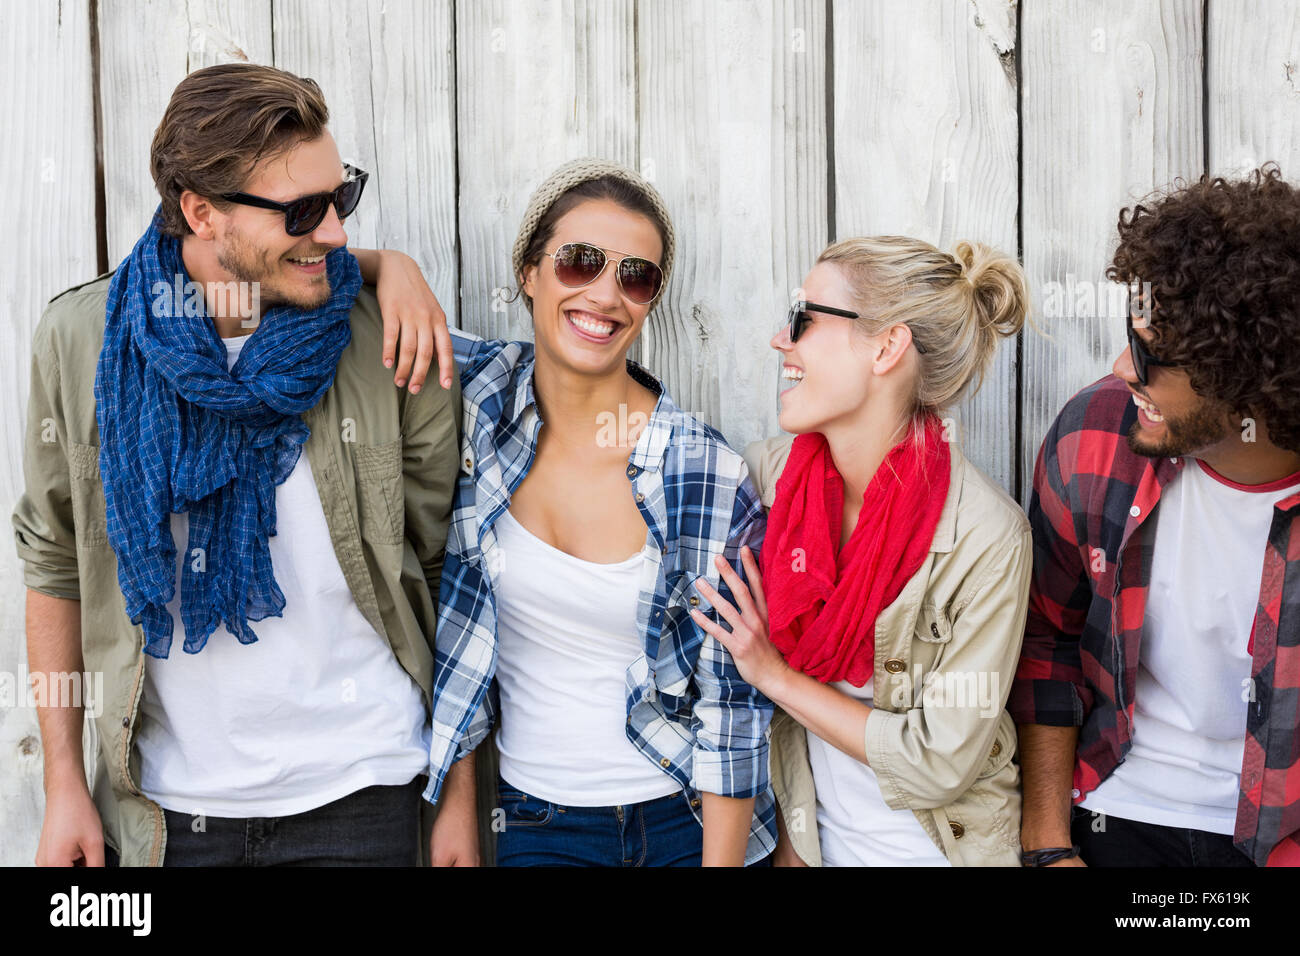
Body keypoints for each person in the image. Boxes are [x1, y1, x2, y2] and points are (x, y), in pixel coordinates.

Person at [14, 62, 459, 867]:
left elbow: (442, 564)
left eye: (341, 197)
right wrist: (65, 787)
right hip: (167, 814)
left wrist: (459, 786)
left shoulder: (381, 338)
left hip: (362, 795)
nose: (335, 233)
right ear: (200, 212)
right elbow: (54, 565)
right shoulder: (81, 341)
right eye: (301, 211)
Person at [416, 159, 776, 867]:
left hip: (687, 820)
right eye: (580, 262)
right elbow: (330, 297)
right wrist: (388, 264)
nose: (606, 294)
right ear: (529, 271)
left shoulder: (701, 469)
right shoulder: (481, 397)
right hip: (537, 822)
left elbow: (732, 704)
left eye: (635, 276)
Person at [695, 235, 1033, 865]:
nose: (780, 341)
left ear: (886, 346)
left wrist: (774, 674)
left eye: (803, 319)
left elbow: (937, 762)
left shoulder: (987, 538)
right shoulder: (768, 484)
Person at [1011, 164, 1300, 867]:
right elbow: (1047, 639)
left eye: (1153, 355)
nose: (1121, 365)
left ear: (1248, 373)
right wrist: (1048, 847)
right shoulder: (1098, 436)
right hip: (1115, 809)